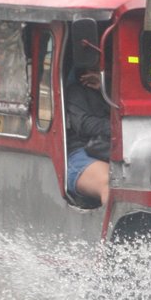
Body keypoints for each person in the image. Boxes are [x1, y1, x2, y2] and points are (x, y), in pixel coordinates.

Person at [64, 67, 110, 207]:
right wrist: (119, 128)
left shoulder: (124, 93)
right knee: (110, 182)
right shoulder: (76, 91)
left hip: (117, 149)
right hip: (81, 152)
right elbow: (84, 125)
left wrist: (106, 87)